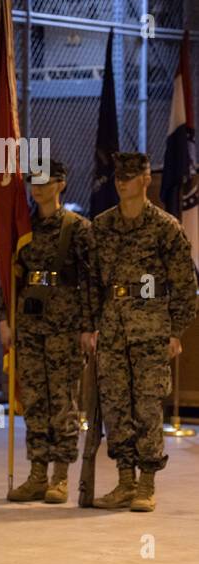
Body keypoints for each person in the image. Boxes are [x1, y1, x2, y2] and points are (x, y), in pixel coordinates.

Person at [87, 152, 197, 512]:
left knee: (147, 405)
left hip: (151, 329)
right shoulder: (101, 227)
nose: (122, 181)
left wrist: (175, 331)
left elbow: (184, 285)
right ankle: (123, 481)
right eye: (119, 175)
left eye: (131, 176)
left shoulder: (165, 228)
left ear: (146, 180)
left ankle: (146, 483)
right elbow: (91, 283)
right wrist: (91, 326)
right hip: (113, 329)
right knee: (116, 405)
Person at [0, 160, 95, 504]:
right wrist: (4, 319)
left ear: (61, 184)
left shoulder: (78, 228)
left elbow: (89, 282)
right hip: (29, 325)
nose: (36, 188)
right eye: (32, 182)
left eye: (44, 181)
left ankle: (60, 476)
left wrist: (87, 326)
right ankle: (37, 473)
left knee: (62, 401)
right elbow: (10, 278)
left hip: (64, 327)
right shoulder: (23, 228)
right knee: (35, 400)